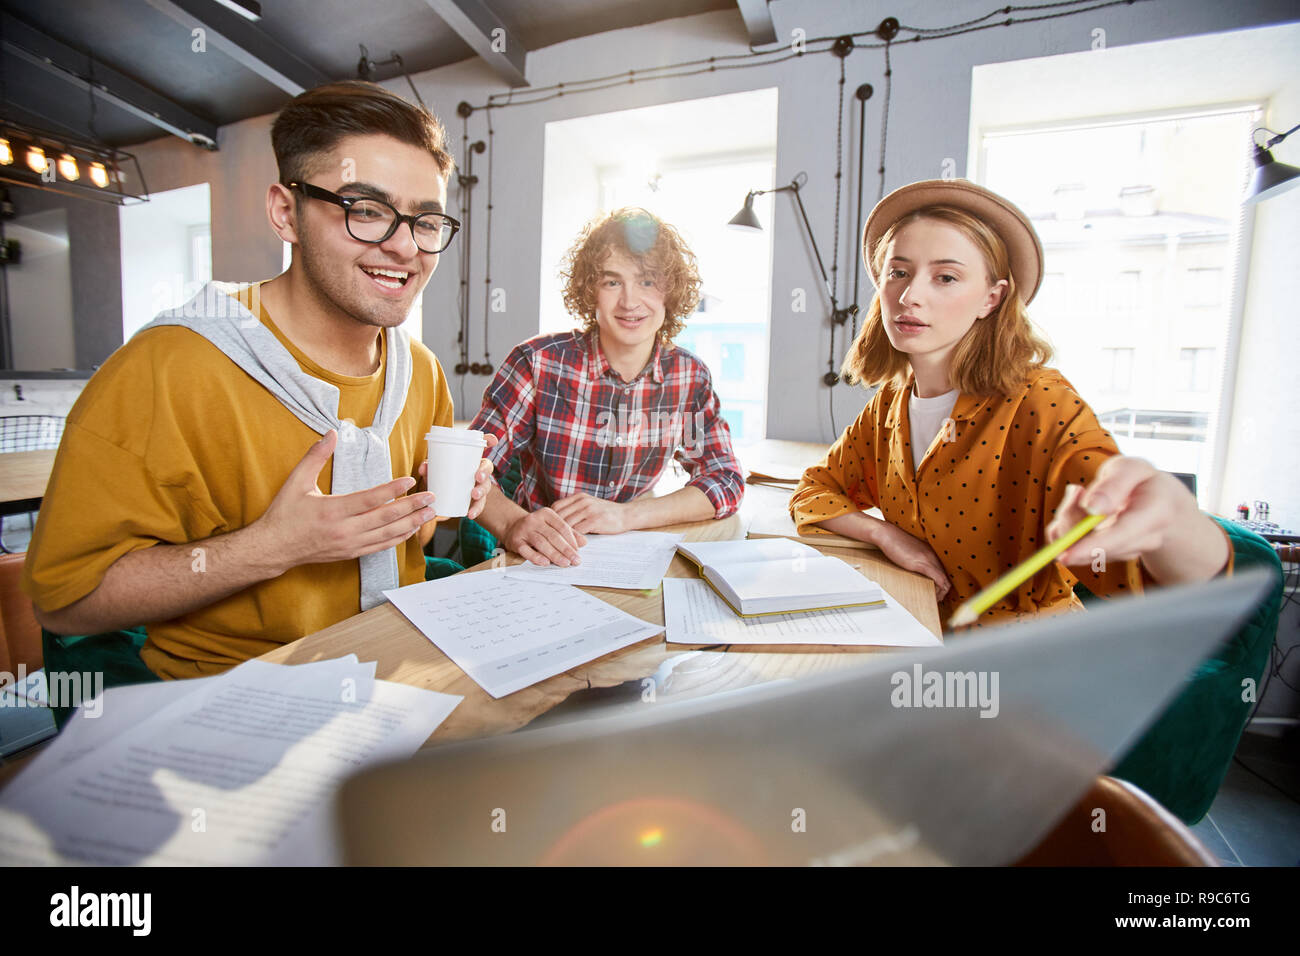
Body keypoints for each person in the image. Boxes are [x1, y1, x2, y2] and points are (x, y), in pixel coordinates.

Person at [23, 80, 494, 680]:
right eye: (366, 210)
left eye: (426, 220)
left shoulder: (420, 370)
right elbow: (65, 603)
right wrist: (272, 547)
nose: (405, 247)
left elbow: (413, 540)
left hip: (396, 676)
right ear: (284, 212)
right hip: (230, 702)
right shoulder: (168, 366)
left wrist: (437, 503)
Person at [789, 179, 1231, 629]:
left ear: (992, 298)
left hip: (1025, 666)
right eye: (898, 272)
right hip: (920, 635)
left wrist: (1176, 529)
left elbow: (1155, 576)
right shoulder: (888, 404)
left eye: (945, 277)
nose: (909, 295)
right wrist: (884, 534)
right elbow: (814, 491)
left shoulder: (1042, 403)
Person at [469, 208, 744, 568]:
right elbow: (467, 469)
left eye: (647, 281)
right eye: (612, 282)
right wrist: (513, 524)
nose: (630, 302)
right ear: (590, 291)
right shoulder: (537, 363)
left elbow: (724, 479)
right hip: (543, 560)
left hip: (635, 557)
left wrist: (626, 515)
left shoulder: (689, 378)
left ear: (670, 291)